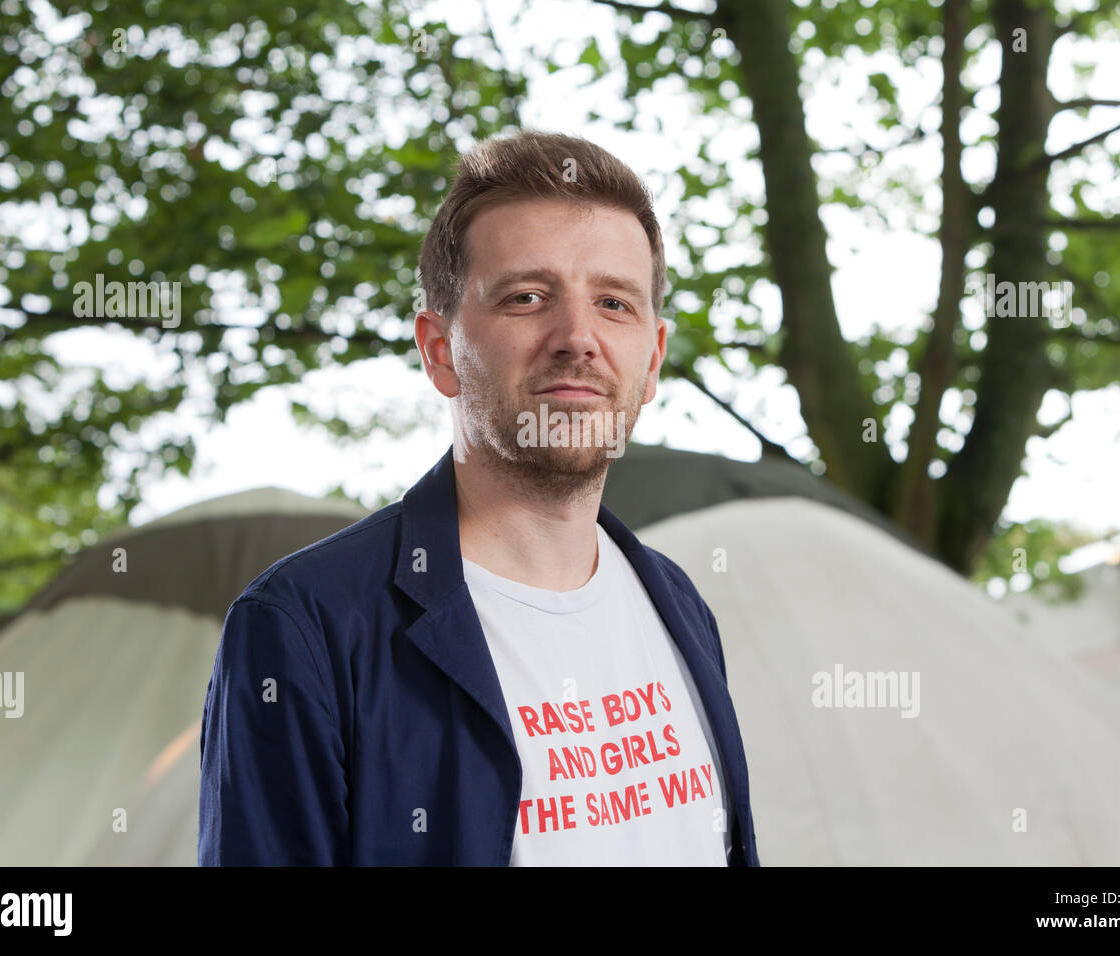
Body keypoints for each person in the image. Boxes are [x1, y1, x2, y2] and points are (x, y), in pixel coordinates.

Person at [198, 130, 759, 866]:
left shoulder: (680, 605)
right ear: (439, 349)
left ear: (651, 360)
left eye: (615, 304)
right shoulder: (307, 629)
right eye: (527, 297)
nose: (577, 338)